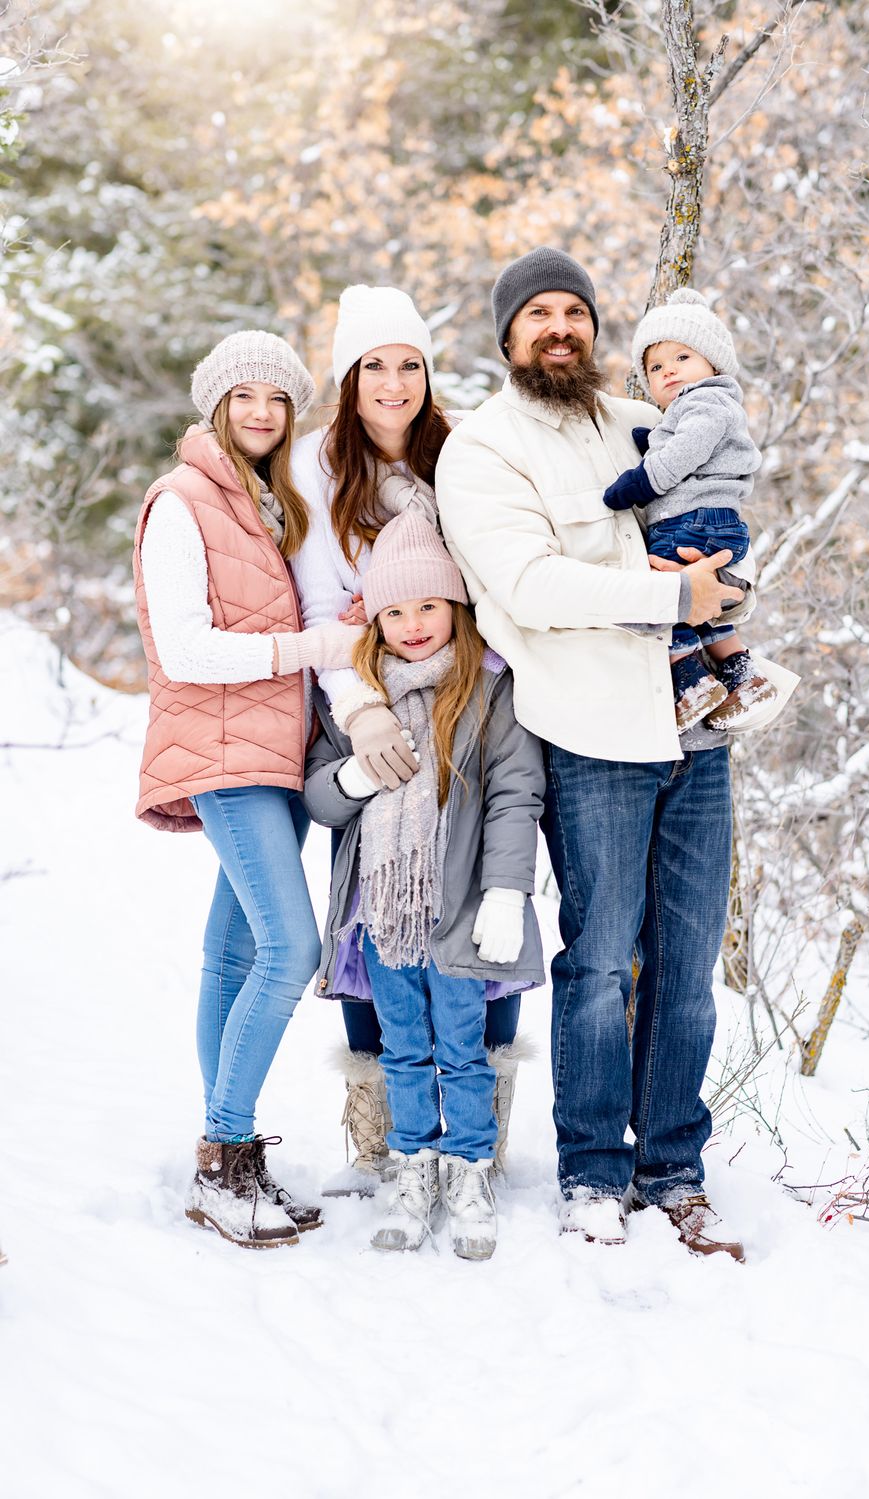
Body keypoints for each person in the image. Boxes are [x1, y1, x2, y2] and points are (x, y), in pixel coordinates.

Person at [436, 247, 794, 1254]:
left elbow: (721, 505)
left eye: (575, 312)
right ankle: (592, 1173)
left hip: (692, 730)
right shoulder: (485, 447)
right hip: (590, 733)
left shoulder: (641, 422)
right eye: (537, 314)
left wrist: (726, 591)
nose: (559, 327)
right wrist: (669, 596)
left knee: (685, 965)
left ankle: (673, 1166)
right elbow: (529, 584)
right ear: (507, 337)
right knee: (598, 961)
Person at [290, 286, 530, 1191]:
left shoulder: (460, 454)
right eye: (375, 365)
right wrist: (359, 709)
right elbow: (321, 604)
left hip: (470, 689)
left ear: (428, 373)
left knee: (477, 903)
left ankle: (478, 1142)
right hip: (366, 692)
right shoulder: (319, 466)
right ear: (349, 378)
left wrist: (484, 673)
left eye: (410, 364)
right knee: (373, 918)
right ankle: (387, 1142)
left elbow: (493, 571)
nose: (393, 382)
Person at [134, 331, 356, 1249]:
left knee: (232, 955)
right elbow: (184, 646)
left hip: (272, 754)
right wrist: (312, 650)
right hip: (223, 756)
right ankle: (221, 1153)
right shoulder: (182, 501)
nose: (263, 412)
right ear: (216, 405)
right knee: (289, 944)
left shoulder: (270, 504)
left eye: (278, 399)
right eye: (245, 397)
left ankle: (235, 1157)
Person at [303, 512, 545, 1259]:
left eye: (428, 607)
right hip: (382, 915)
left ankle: (468, 1169)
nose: (412, 624)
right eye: (396, 611)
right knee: (404, 1049)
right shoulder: (358, 700)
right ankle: (412, 1169)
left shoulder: (490, 690)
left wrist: (507, 891)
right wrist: (346, 774)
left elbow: (515, 792)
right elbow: (318, 796)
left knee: (464, 1050)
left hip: (464, 908)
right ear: (375, 620)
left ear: (456, 609)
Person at [601, 287, 778, 732]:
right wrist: (651, 439)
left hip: (693, 521)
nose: (668, 371)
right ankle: (741, 674)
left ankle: (689, 683)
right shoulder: (697, 408)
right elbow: (681, 441)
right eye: (656, 366)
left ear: (713, 364)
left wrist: (639, 482)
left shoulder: (707, 401)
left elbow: (686, 450)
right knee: (704, 606)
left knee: (655, 596)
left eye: (683, 358)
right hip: (709, 522)